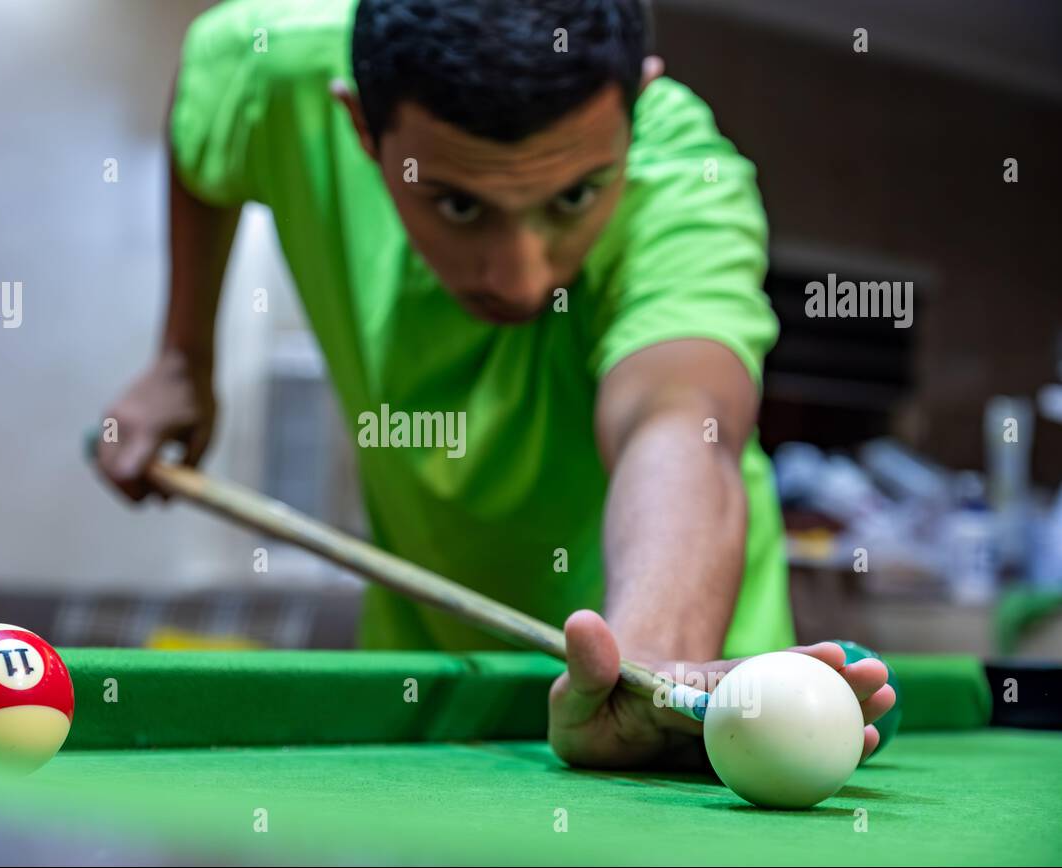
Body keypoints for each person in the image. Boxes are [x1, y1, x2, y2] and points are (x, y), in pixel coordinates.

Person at [95, 0, 896, 769]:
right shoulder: (274, 66)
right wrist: (182, 357)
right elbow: (203, 120)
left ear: (638, 109)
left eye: (575, 195)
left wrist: (644, 672)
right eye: (457, 203)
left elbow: (679, 421)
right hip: (433, 690)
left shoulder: (686, 180)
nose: (519, 277)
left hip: (693, 691)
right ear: (361, 128)